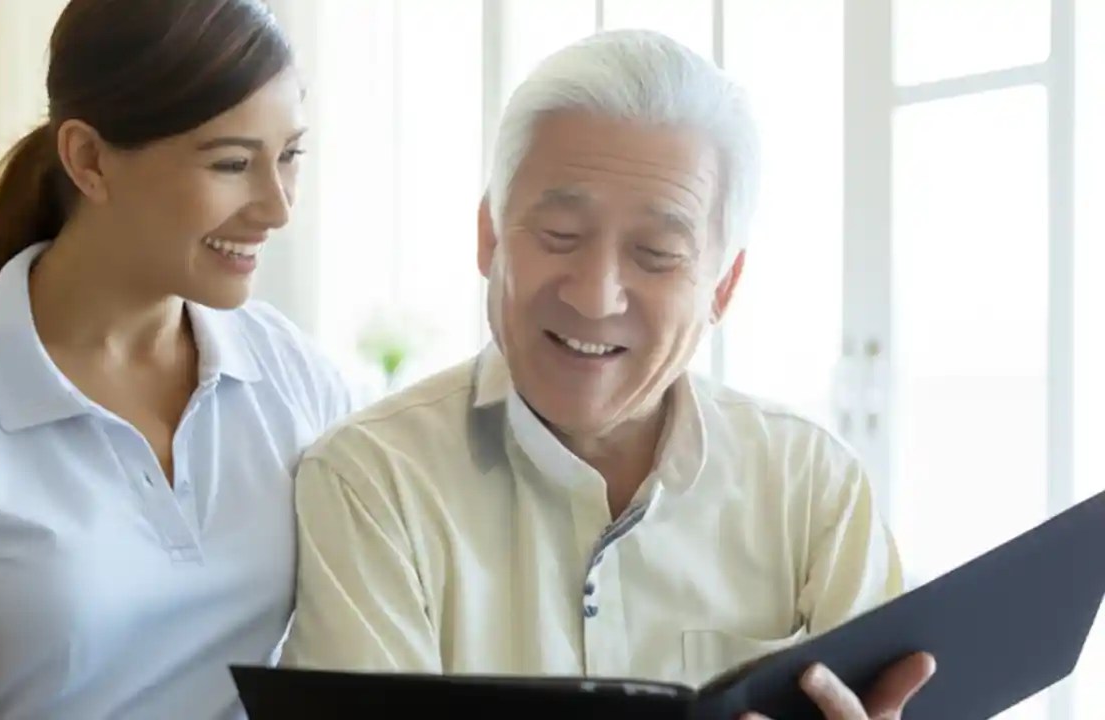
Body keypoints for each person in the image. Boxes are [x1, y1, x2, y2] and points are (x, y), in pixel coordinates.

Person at [280, 29, 934, 720]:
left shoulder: (812, 485)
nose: (596, 296)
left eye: (655, 254)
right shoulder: (372, 482)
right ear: (489, 236)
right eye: (560, 236)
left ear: (723, 286)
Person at [0, 1, 354, 718]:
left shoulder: (296, 377)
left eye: (289, 155)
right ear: (89, 160)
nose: (277, 206)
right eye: (232, 163)